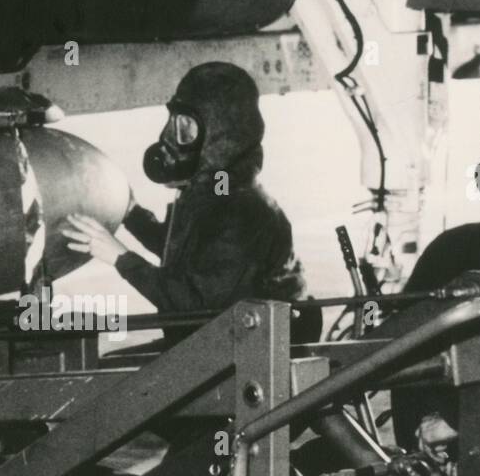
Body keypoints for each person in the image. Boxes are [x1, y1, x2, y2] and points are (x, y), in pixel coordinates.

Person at [61, 61, 321, 341]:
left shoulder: (244, 211)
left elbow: (194, 301)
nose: (169, 139)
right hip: (221, 340)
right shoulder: (218, 192)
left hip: (246, 349)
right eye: (173, 124)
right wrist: (132, 214)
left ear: (220, 137)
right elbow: (189, 252)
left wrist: (120, 257)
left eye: (185, 128)